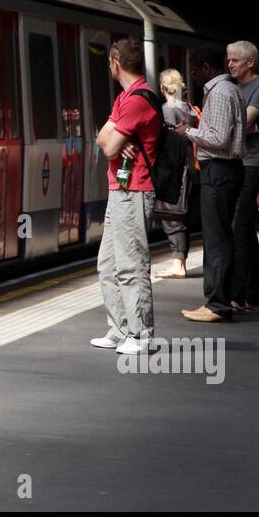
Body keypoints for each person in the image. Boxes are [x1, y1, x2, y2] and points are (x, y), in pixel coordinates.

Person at [91, 38, 161, 356]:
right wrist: (115, 140)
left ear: (116, 62)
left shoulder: (137, 100)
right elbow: (102, 138)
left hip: (134, 191)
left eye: (109, 61)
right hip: (119, 190)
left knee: (131, 265)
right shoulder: (125, 97)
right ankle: (120, 329)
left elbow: (107, 146)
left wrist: (115, 141)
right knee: (108, 265)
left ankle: (142, 334)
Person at [178, 44, 246, 324]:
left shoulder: (219, 93)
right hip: (225, 171)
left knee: (217, 240)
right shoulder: (229, 90)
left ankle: (218, 304)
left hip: (218, 171)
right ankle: (219, 300)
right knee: (220, 237)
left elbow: (219, 140)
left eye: (195, 71)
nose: (193, 77)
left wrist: (188, 132)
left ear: (207, 68)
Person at [227, 41, 259, 312]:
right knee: (243, 227)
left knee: (237, 225)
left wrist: (235, 124)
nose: (230, 64)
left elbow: (243, 123)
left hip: (251, 163)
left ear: (250, 63)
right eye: (229, 59)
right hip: (236, 160)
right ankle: (252, 296)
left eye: (235, 60)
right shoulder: (232, 86)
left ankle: (238, 294)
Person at [157, 68, 196, 279]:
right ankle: (179, 261)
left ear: (163, 88)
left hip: (173, 168)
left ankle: (178, 264)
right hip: (188, 166)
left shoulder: (167, 110)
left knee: (171, 214)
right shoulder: (188, 109)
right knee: (180, 212)